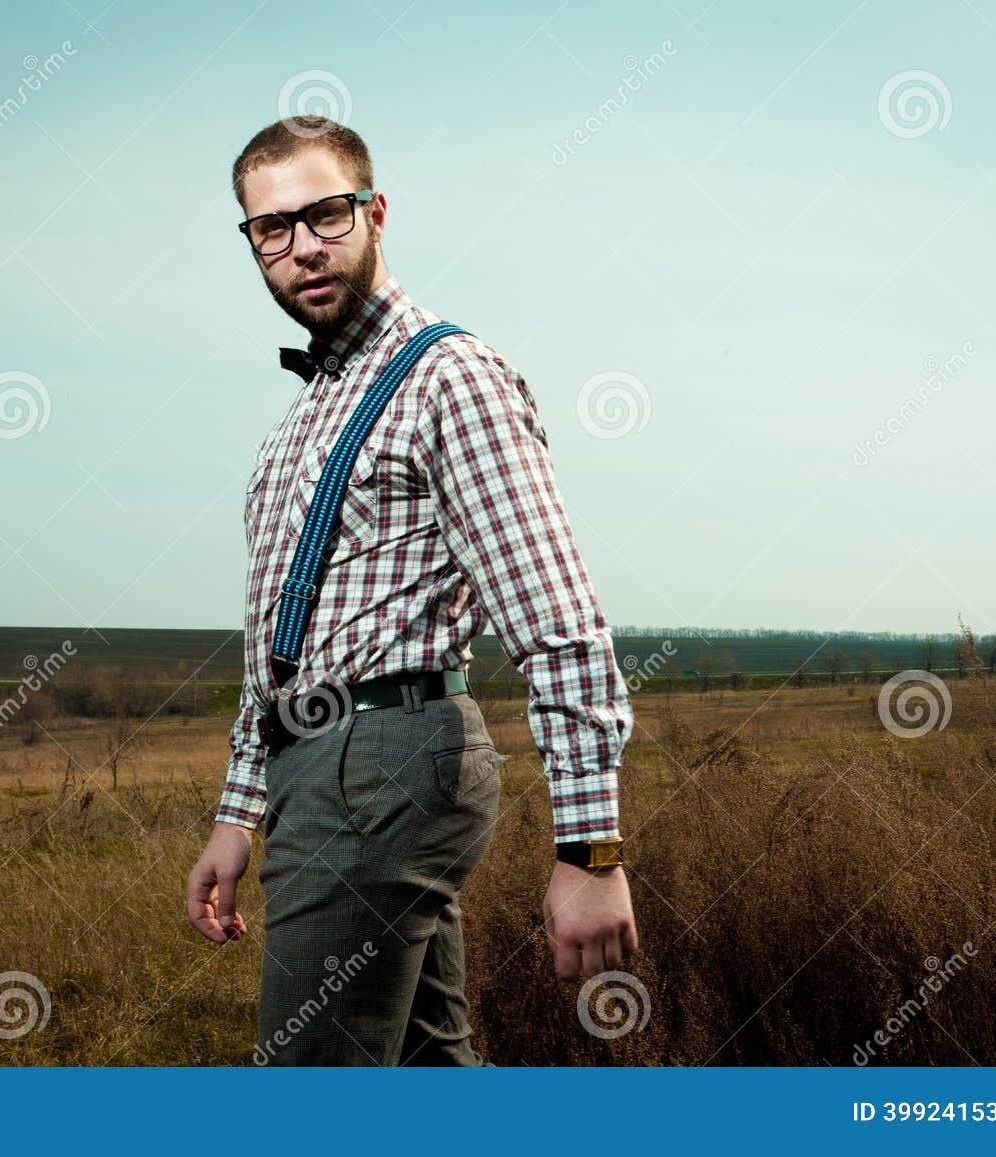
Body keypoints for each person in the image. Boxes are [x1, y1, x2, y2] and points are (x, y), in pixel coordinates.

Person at [185, 115, 638, 1066]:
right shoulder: (300, 422)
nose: (303, 246)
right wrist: (238, 811)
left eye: (326, 215)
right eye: (272, 228)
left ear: (376, 213)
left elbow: (554, 615)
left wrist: (590, 852)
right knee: (432, 1071)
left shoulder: (448, 377)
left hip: (382, 760)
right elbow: (278, 643)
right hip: (323, 764)